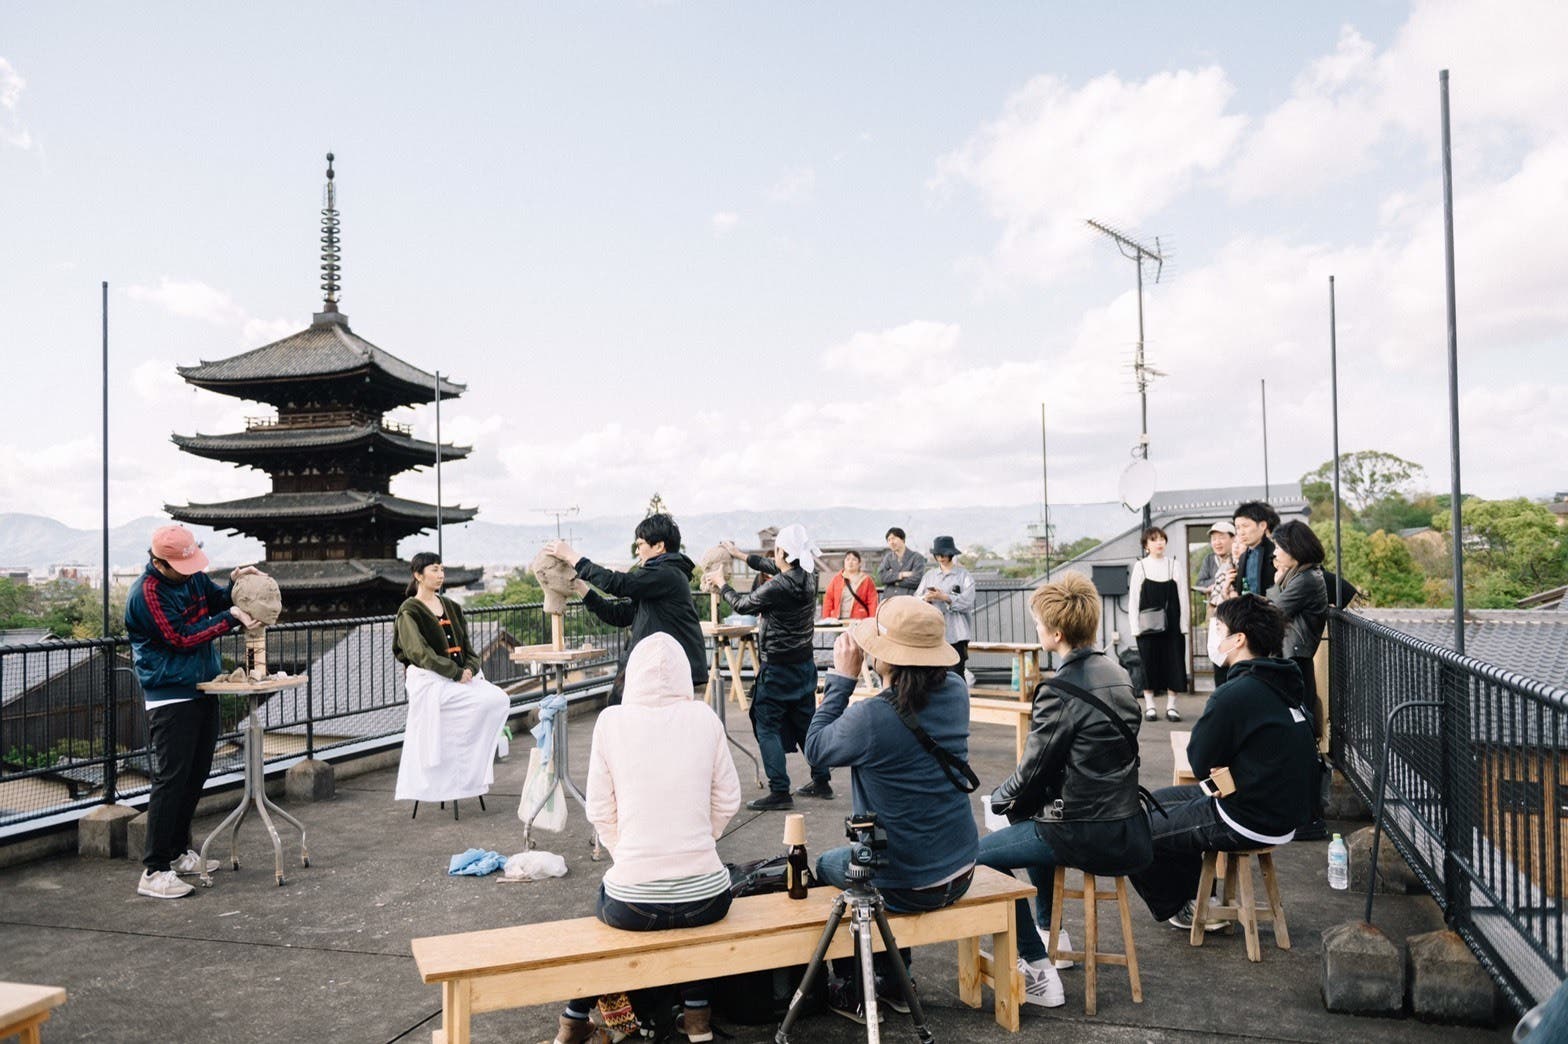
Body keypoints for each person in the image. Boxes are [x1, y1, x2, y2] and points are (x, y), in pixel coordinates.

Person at [544, 634, 742, 1044]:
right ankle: (697, 1017)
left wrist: (628, 855)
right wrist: (701, 839)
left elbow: (599, 809)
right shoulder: (704, 717)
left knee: (604, 932)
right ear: (685, 674)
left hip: (632, 902)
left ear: (631, 674)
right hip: (707, 897)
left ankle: (577, 1019)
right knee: (691, 923)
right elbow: (729, 798)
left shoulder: (610, 722)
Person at [981, 572, 1152, 1008]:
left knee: (977, 858)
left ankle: (1038, 967)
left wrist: (997, 801)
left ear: (1056, 634)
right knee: (1029, 817)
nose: (1037, 629)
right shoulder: (1118, 673)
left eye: (1039, 624)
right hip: (1125, 825)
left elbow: (1031, 771)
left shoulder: (1058, 690)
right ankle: (1049, 931)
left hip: (1079, 830)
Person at [805, 598, 979, 1022]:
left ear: (887, 655)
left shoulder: (871, 718)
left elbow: (816, 748)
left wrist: (841, 679)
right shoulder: (957, 691)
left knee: (830, 866)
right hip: (961, 869)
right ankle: (898, 980)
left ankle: (857, 988)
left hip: (907, 882)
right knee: (891, 857)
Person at [1127, 595, 1318, 929]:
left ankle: (1183, 905)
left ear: (1238, 639)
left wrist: (1221, 766)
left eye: (1218, 629)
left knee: (1132, 830)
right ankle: (1197, 898)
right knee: (1153, 804)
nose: (1213, 637)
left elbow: (1200, 760)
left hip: (1248, 816)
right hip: (1281, 812)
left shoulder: (1236, 693)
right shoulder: (1283, 682)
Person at [124, 524, 263, 899]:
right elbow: (181, 637)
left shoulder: (192, 577)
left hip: (202, 686)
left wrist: (235, 584)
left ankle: (178, 851)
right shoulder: (147, 593)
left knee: (195, 774)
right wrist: (231, 618)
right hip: (170, 695)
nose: (190, 573)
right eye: (182, 567)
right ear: (159, 563)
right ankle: (155, 869)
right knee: (171, 780)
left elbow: (217, 600)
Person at [706, 524, 830, 809]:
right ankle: (822, 779)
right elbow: (774, 566)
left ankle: (780, 791)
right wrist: (739, 554)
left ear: (782, 552)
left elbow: (742, 605)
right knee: (805, 723)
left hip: (778, 669)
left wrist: (722, 584)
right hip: (804, 664)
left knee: (767, 725)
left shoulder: (778, 586)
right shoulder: (809, 575)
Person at [393, 552, 512, 807]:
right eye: (434, 570)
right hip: (429, 678)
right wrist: (454, 672)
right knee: (479, 703)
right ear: (418, 575)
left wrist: (468, 668)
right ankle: (452, 767)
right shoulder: (410, 611)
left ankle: (471, 765)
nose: (440, 575)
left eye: (442, 570)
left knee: (499, 699)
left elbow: (468, 649)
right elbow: (418, 652)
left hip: (459, 676)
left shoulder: (452, 607)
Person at [547, 514, 708, 692]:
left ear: (659, 546)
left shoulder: (668, 574)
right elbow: (619, 615)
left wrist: (573, 557)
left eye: (640, 545)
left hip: (667, 673)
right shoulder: (659, 580)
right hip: (662, 669)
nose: (637, 552)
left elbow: (619, 584)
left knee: (620, 699)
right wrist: (581, 588)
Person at [1126, 526, 1189, 722]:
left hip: (1172, 625)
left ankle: (1172, 706)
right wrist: (1135, 628)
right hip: (1147, 627)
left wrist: (1184, 625)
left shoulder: (1174, 565)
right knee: (1148, 664)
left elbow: (1183, 597)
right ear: (1146, 545)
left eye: (1162, 539)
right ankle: (1150, 706)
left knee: (1174, 662)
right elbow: (1133, 599)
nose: (1159, 543)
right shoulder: (1141, 566)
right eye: (1154, 539)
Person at [913, 536, 975, 678]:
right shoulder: (929, 575)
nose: (941, 557)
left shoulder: (964, 576)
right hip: (933, 632)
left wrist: (945, 598)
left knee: (956, 674)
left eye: (944, 554)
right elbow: (917, 599)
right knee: (932, 674)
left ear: (951, 554)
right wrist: (926, 598)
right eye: (938, 554)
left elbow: (968, 601)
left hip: (957, 633)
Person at [1196, 521, 1240, 688]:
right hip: (1216, 613)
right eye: (1214, 539)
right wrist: (1217, 584)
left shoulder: (1238, 557)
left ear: (1233, 538)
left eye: (1221, 538)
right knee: (1218, 655)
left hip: (1235, 614)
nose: (1217, 542)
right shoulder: (1209, 559)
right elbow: (1200, 582)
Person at [1232, 501, 1281, 598]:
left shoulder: (1276, 553)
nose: (1241, 532)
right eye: (1237, 528)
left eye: (1245, 526)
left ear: (1262, 525)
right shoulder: (1242, 557)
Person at [822, 549, 879, 621]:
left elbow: (872, 601)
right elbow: (828, 599)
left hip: (858, 619)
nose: (850, 562)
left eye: (854, 560)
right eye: (848, 559)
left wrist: (872, 620)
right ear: (844, 562)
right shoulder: (837, 579)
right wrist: (826, 618)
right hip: (838, 619)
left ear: (859, 563)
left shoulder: (866, 580)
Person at [876, 527, 925, 601]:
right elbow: (881, 577)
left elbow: (917, 580)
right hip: (889, 600)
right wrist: (901, 575)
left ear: (902, 539)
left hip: (908, 601)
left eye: (893, 538)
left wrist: (892, 581)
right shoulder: (888, 557)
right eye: (889, 540)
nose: (891, 542)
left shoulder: (917, 557)